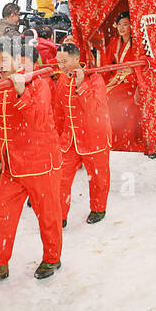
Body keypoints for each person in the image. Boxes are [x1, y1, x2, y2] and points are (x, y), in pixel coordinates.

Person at [0, 38, 64, 282]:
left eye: (3, 60)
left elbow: (38, 120)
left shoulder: (37, 83)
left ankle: (52, 257)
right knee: (1, 214)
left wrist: (21, 90)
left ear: (18, 60)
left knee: (48, 214)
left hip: (39, 162)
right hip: (11, 166)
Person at [53, 42, 111, 225]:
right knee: (60, 178)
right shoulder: (62, 79)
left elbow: (95, 110)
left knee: (98, 178)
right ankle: (59, 215)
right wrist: (57, 135)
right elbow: (58, 111)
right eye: (58, 62)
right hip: (69, 139)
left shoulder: (95, 79)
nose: (60, 66)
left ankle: (98, 208)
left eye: (64, 61)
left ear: (77, 59)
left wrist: (81, 86)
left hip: (94, 137)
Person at [101, 11, 152, 156]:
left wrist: (138, 83)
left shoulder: (137, 44)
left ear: (131, 25)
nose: (122, 28)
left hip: (132, 81)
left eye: (125, 24)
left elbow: (142, 66)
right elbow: (106, 61)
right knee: (101, 95)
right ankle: (109, 134)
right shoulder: (115, 42)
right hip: (116, 78)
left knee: (112, 97)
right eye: (119, 25)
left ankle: (121, 136)